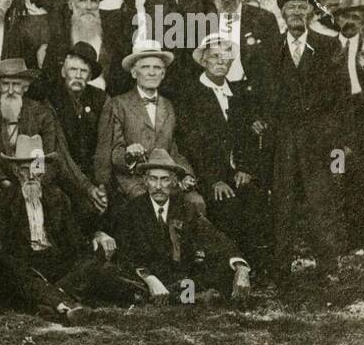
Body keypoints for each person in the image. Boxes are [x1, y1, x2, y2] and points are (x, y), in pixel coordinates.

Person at [0, 134, 139, 318]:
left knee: (93, 261)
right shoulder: (1, 202)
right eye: (25, 170)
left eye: (37, 169)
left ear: (43, 170)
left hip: (56, 265)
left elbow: (74, 242)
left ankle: (53, 300)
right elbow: (6, 251)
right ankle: (64, 302)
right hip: (26, 267)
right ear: (15, 170)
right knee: (11, 270)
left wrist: (96, 238)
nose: (31, 176)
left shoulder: (57, 197)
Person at [175, 35, 271, 271]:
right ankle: (230, 266)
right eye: (215, 56)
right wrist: (214, 179)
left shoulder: (237, 94)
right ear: (204, 60)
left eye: (226, 57)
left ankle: (255, 267)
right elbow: (191, 145)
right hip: (205, 175)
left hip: (235, 171)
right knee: (225, 204)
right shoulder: (190, 94)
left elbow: (246, 137)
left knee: (255, 197)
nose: (221, 61)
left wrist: (245, 169)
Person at [268, 0, 343, 278]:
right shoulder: (271, 48)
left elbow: (339, 98)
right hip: (283, 140)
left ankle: (328, 267)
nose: (296, 13)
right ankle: (280, 270)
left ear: (312, 12)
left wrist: (333, 139)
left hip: (317, 140)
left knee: (319, 203)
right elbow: (266, 95)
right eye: (291, 8)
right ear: (283, 14)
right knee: (282, 205)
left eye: (302, 7)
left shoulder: (328, 46)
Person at [114, 149, 251, 306]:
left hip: (180, 279)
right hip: (146, 279)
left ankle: (171, 298)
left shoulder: (186, 208)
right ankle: (188, 297)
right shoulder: (131, 209)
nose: (158, 186)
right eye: (153, 179)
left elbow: (215, 237)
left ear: (173, 182)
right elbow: (127, 254)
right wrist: (150, 279)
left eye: (164, 179)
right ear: (145, 180)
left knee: (223, 269)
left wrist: (241, 268)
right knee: (112, 275)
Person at [0, 58, 106, 218]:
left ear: (25, 87)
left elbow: (49, 158)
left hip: (36, 183)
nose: (10, 90)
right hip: (0, 185)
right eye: (5, 84)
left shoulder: (42, 113)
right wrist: (7, 184)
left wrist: (33, 182)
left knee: (59, 202)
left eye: (15, 84)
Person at [95, 40, 199, 207]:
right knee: (147, 206)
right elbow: (113, 154)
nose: (152, 73)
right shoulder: (118, 104)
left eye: (157, 68)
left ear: (163, 74)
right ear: (134, 73)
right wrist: (129, 154)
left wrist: (186, 174)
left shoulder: (168, 106)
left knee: (196, 202)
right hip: (134, 181)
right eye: (145, 67)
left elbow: (172, 149)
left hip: (165, 181)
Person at [328, 0, 364, 253]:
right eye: (345, 16)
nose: (350, 22)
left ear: (363, 21)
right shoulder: (326, 50)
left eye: (356, 17)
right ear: (337, 20)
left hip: (362, 121)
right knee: (337, 177)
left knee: (359, 179)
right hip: (336, 123)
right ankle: (338, 238)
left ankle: (357, 240)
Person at [41, 0, 120, 93]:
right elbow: (49, 79)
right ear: (71, 5)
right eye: (83, 0)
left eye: (94, 1)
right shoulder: (60, 39)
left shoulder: (113, 37)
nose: (89, 7)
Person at [43, 42, 108, 182]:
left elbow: (104, 148)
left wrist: (101, 184)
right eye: (73, 69)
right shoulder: (52, 100)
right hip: (62, 176)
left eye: (84, 71)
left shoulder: (100, 99)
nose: (78, 75)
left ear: (90, 76)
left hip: (93, 175)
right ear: (63, 72)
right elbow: (61, 152)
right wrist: (88, 188)